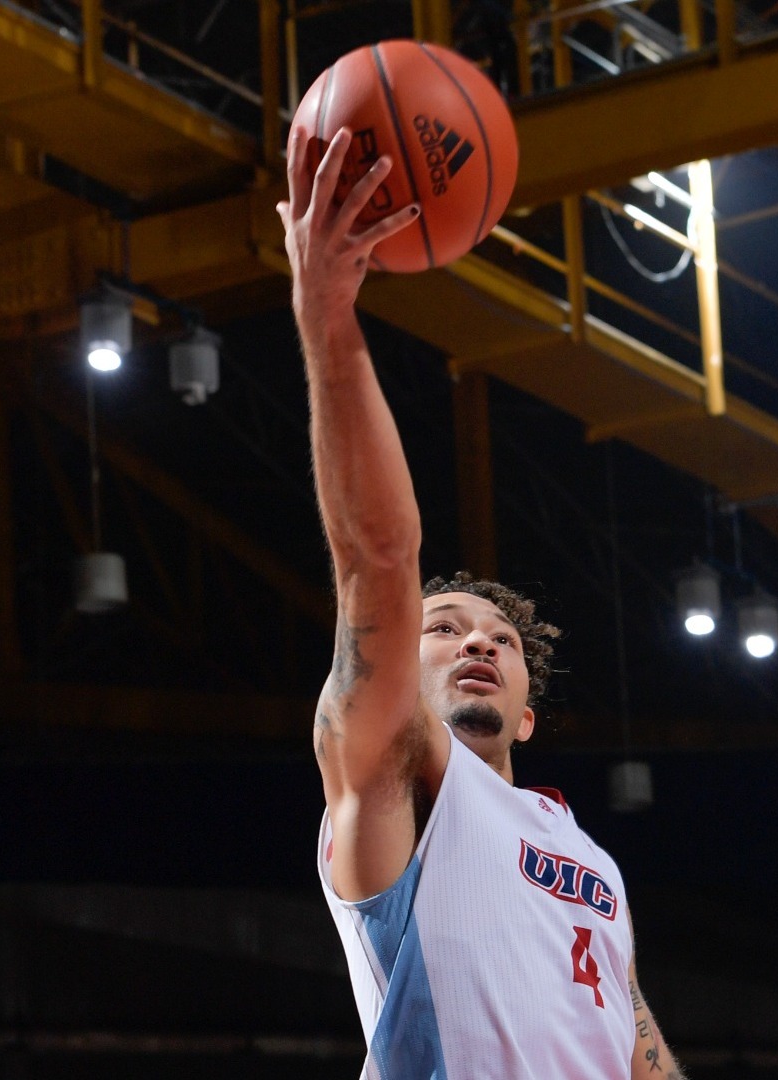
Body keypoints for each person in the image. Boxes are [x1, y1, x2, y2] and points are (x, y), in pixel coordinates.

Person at [277, 124, 686, 1079]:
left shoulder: (588, 862)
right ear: (398, 674)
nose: (478, 644)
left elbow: (633, 1039)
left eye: (501, 639)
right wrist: (327, 318)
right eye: (444, 628)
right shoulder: (390, 778)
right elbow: (378, 554)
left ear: (529, 714)